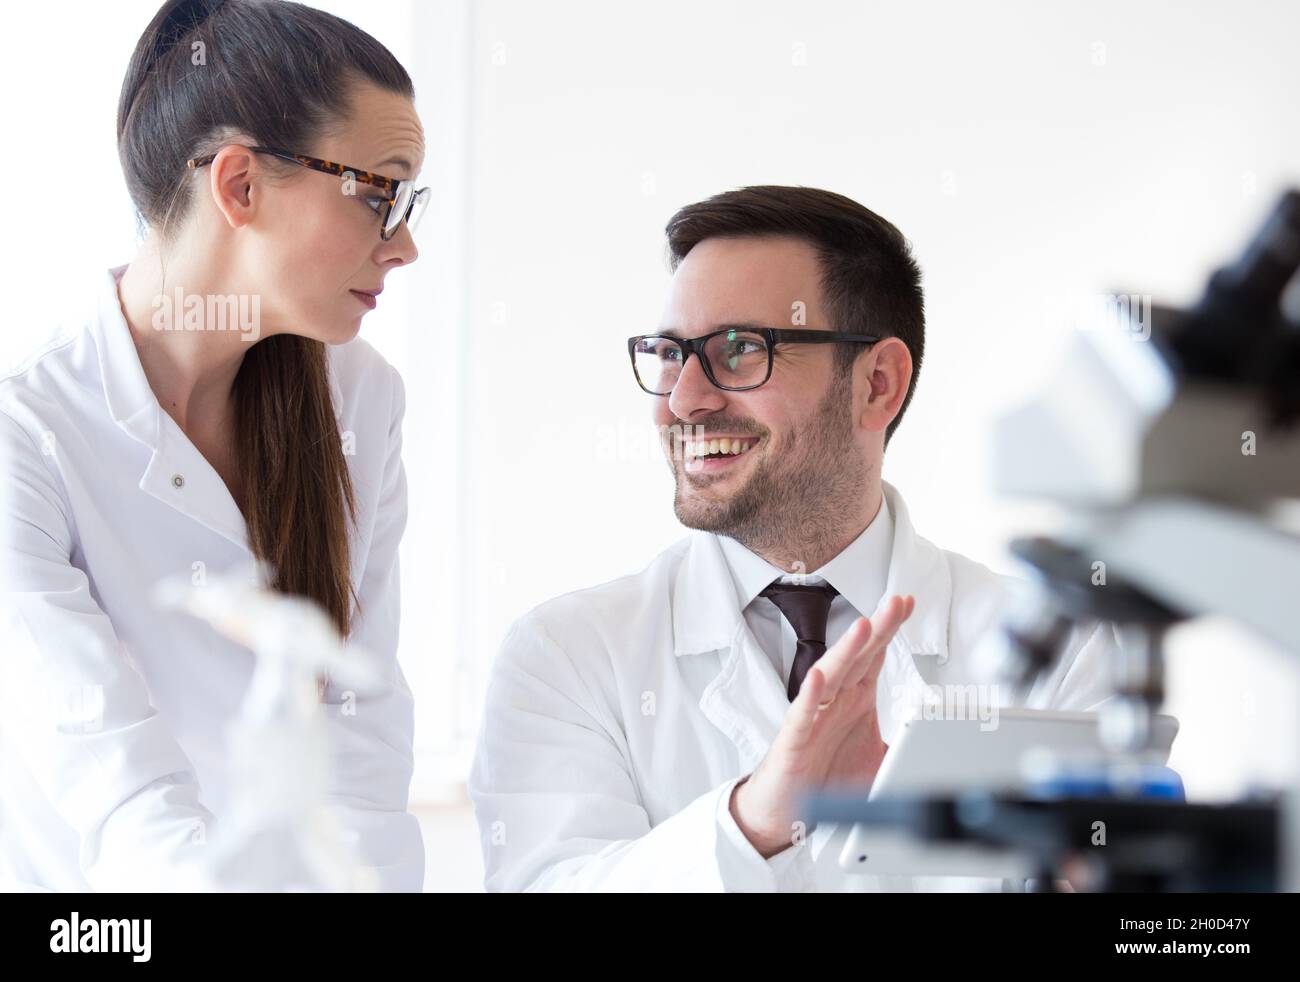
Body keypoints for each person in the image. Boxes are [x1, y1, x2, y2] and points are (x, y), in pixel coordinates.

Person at [469, 186, 1117, 891]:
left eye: (740, 349)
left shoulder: (1060, 649)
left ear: (877, 383)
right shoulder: (565, 657)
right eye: (669, 353)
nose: (683, 401)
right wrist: (753, 825)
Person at [0, 0, 428, 890]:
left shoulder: (362, 399)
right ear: (239, 186)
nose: (407, 245)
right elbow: (118, 786)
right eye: (382, 193)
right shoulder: (28, 436)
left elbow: (364, 741)